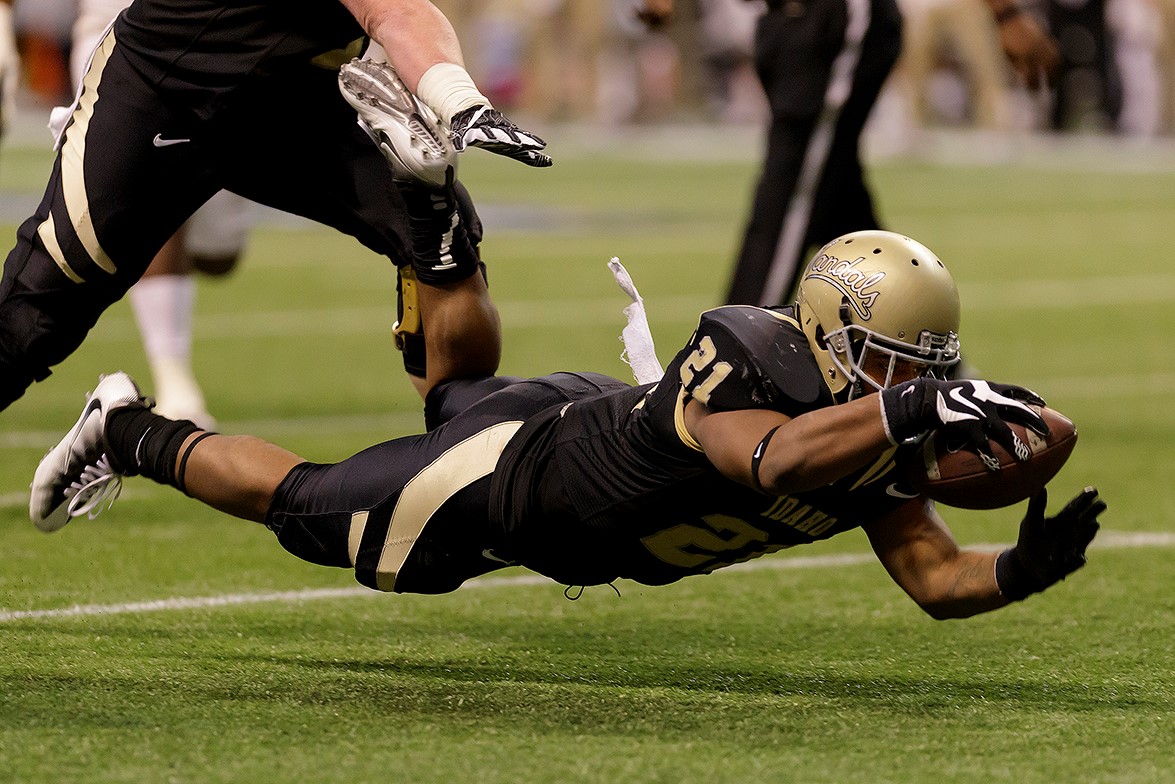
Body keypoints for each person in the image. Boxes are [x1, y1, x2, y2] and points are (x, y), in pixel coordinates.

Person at [29, 221, 1105, 615]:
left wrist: (1017, 568)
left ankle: (430, 233)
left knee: (449, 391)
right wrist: (914, 405)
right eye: (884, 359)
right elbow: (771, 458)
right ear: (825, 332)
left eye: (917, 365)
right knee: (304, 504)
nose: (897, 380)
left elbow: (930, 574)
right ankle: (128, 429)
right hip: (522, 478)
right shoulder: (756, 360)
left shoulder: (873, 435)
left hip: (594, 435)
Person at [0, 0, 550, 414]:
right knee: (36, 318)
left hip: (292, 104)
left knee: (440, 237)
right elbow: (394, 11)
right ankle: (129, 426)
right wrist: (461, 101)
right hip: (166, 91)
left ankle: (464, 449)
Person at [725, 0, 1062, 307]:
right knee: (837, 199)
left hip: (832, 16)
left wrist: (1005, 15)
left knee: (792, 189)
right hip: (782, 19)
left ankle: (733, 349)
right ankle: (923, 355)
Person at [67, 0, 257, 426]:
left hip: (225, 37)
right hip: (121, 31)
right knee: (156, 193)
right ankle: (174, 381)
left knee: (219, 255)